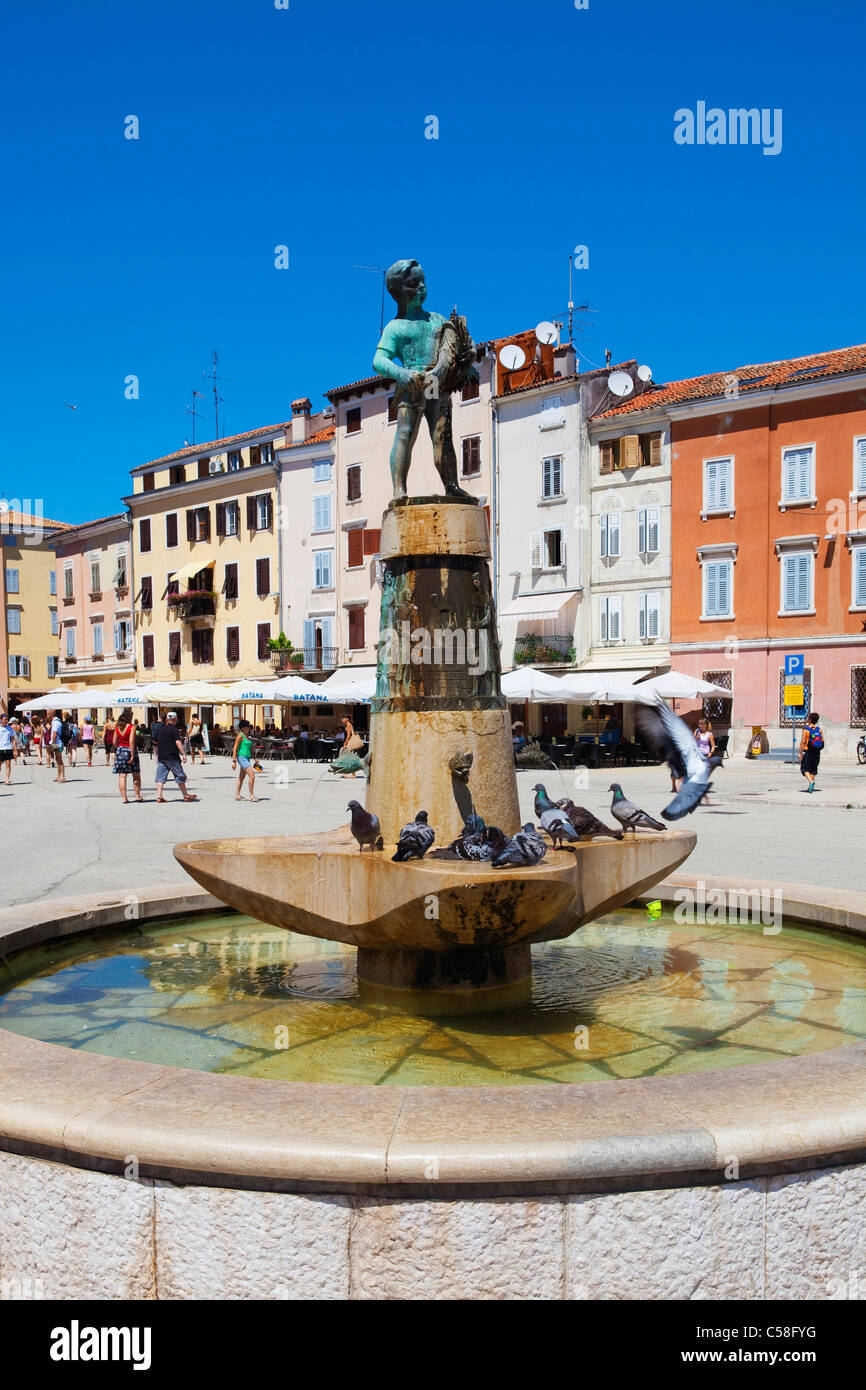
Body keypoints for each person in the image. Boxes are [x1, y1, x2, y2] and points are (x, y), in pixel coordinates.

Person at [154, 712, 197, 802]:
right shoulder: (174, 729)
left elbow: (156, 742)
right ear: (175, 719)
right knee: (180, 775)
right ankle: (185, 795)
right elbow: (178, 742)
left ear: (167, 719)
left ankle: (159, 796)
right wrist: (184, 754)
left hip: (162, 756)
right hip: (172, 756)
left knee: (160, 777)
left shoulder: (160, 729)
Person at [113, 707, 143, 803]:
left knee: (122, 776)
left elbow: (114, 741)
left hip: (120, 750)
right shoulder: (132, 727)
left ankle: (124, 798)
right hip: (130, 750)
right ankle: (137, 796)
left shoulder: (117, 726)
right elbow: (131, 741)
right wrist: (132, 754)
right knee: (136, 774)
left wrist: (119, 748)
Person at [232, 720, 260, 800]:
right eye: (248, 727)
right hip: (242, 758)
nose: (249, 728)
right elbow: (234, 748)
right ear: (243, 728)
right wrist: (234, 761)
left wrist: (254, 758)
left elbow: (250, 749)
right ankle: (252, 796)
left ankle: (237, 795)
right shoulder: (240, 736)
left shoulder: (247, 736)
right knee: (252, 775)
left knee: (241, 777)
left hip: (247, 758)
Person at [799, 711, 824, 793]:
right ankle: (811, 787)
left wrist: (800, 753)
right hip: (817, 751)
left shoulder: (806, 730)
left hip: (808, 751)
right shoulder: (819, 730)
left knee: (804, 768)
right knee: (813, 769)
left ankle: (811, 782)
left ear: (809, 720)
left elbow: (803, 741)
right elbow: (822, 740)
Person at [48, 709, 66, 783]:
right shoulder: (55, 721)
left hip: (57, 743)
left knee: (59, 760)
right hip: (57, 743)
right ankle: (59, 776)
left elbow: (55, 734)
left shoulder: (55, 722)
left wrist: (53, 744)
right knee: (57, 760)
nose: (47, 716)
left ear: (51, 714)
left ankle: (63, 777)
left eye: (48, 714)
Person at [0, 715, 18, 785]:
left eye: (7, 719)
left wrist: (15, 750)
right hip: (0, 749)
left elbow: (13, 739)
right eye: (5, 719)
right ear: (1, 720)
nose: (6, 721)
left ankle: (7, 780)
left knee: (8, 765)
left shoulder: (10, 729)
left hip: (8, 748)